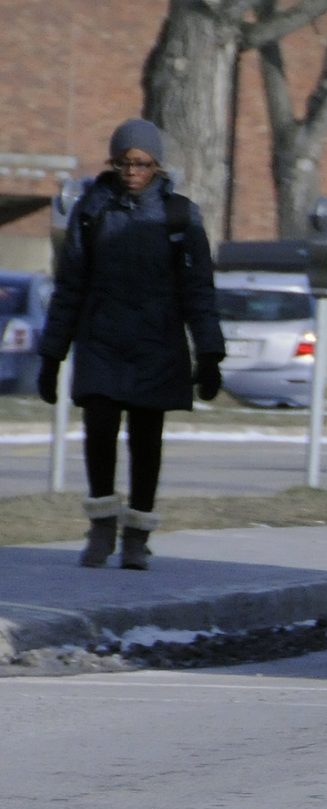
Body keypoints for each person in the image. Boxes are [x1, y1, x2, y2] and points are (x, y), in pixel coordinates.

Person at [37, 119, 225, 570]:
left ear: (157, 166)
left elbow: (198, 288)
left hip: (156, 342)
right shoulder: (91, 210)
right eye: (123, 162)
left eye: (141, 163)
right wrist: (51, 354)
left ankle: (138, 534)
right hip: (101, 338)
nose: (132, 171)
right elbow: (70, 286)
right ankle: (102, 524)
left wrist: (210, 353)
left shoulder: (180, 216)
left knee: (146, 437)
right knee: (99, 428)